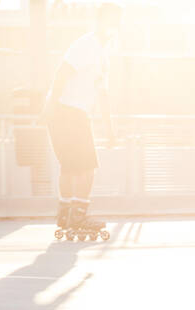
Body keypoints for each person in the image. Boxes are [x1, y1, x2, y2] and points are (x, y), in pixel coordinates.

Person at [45, 3, 121, 239]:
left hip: (69, 112)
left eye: (116, 21)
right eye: (109, 20)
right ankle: (77, 217)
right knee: (87, 167)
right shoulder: (86, 45)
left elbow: (103, 95)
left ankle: (66, 215)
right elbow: (62, 72)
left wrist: (109, 129)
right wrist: (50, 105)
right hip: (68, 111)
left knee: (70, 167)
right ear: (99, 21)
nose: (113, 26)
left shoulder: (102, 55)